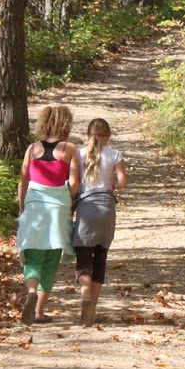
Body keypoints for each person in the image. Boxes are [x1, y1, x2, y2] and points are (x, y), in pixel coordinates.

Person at [16, 105, 80, 324]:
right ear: (66, 124)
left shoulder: (32, 149)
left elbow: (23, 182)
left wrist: (22, 208)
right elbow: (73, 183)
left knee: (32, 256)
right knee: (51, 259)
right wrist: (72, 200)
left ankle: (31, 292)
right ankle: (39, 311)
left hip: (34, 207)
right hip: (58, 210)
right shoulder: (69, 149)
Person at [71, 117, 126, 325]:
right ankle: (92, 309)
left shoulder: (78, 154)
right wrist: (110, 185)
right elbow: (122, 182)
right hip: (106, 209)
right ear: (108, 136)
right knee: (100, 259)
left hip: (86, 208)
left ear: (88, 134)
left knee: (84, 259)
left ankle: (85, 296)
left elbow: (74, 184)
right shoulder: (115, 154)